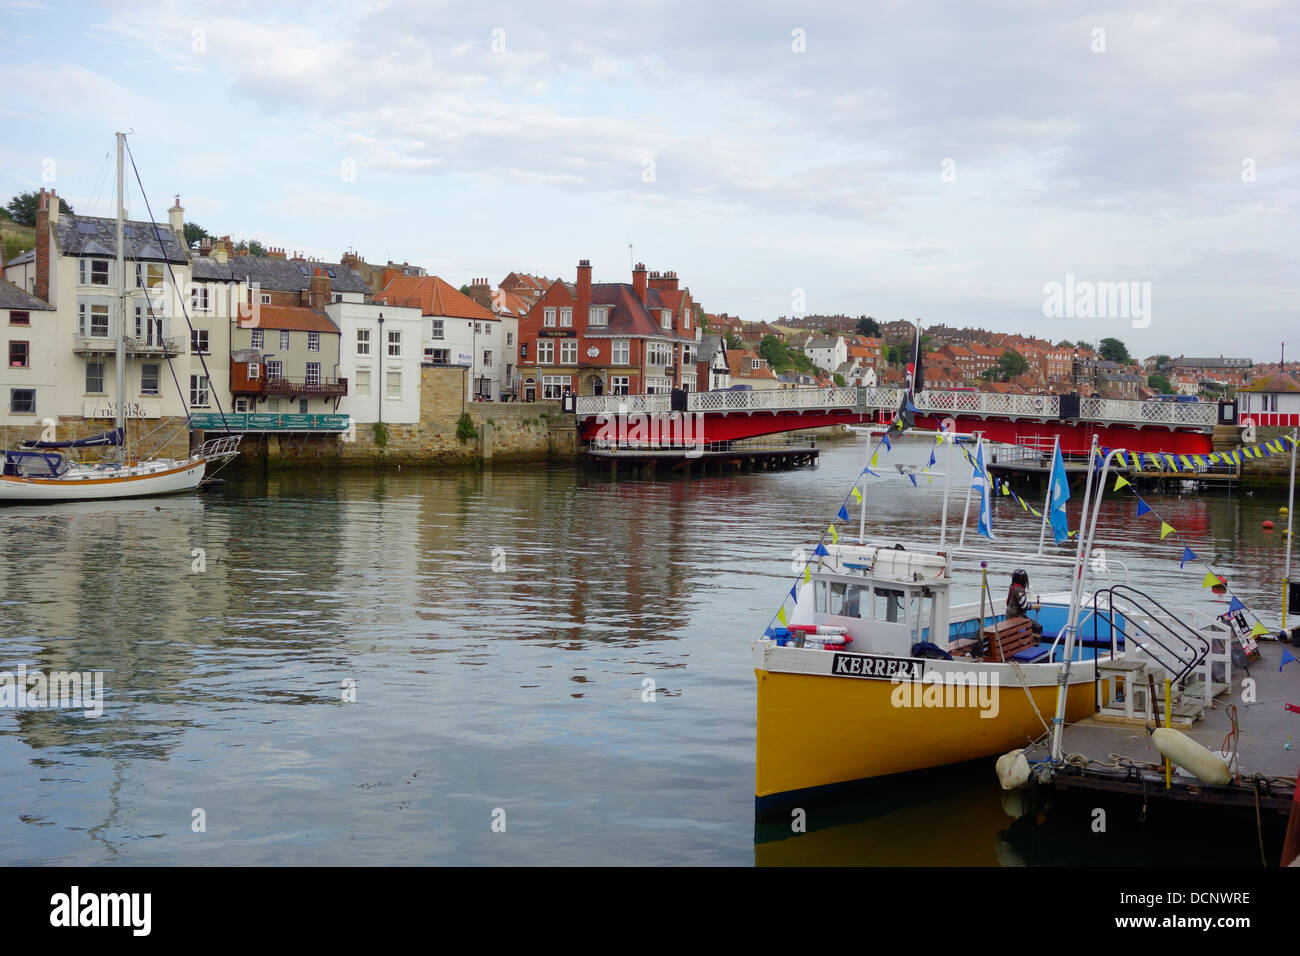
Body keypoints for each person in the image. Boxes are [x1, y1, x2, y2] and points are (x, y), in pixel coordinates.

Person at [1006, 569, 1043, 635]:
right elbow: (1024, 606)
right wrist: (1036, 606)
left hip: (1009, 615)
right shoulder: (1020, 590)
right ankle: (1032, 643)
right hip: (1016, 616)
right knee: (1038, 628)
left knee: (1030, 625)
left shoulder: (1012, 587)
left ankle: (1025, 640)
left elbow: (1007, 601)